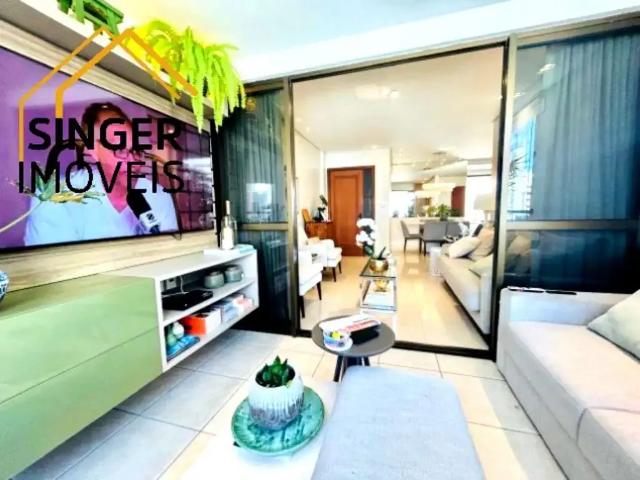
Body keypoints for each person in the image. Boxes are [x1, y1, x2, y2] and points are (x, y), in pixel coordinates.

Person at [24, 103, 178, 246]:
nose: (132, 161)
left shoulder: (159, 196)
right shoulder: (55, 198)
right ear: (92, 150)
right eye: (120, 149)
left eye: (135, 150)